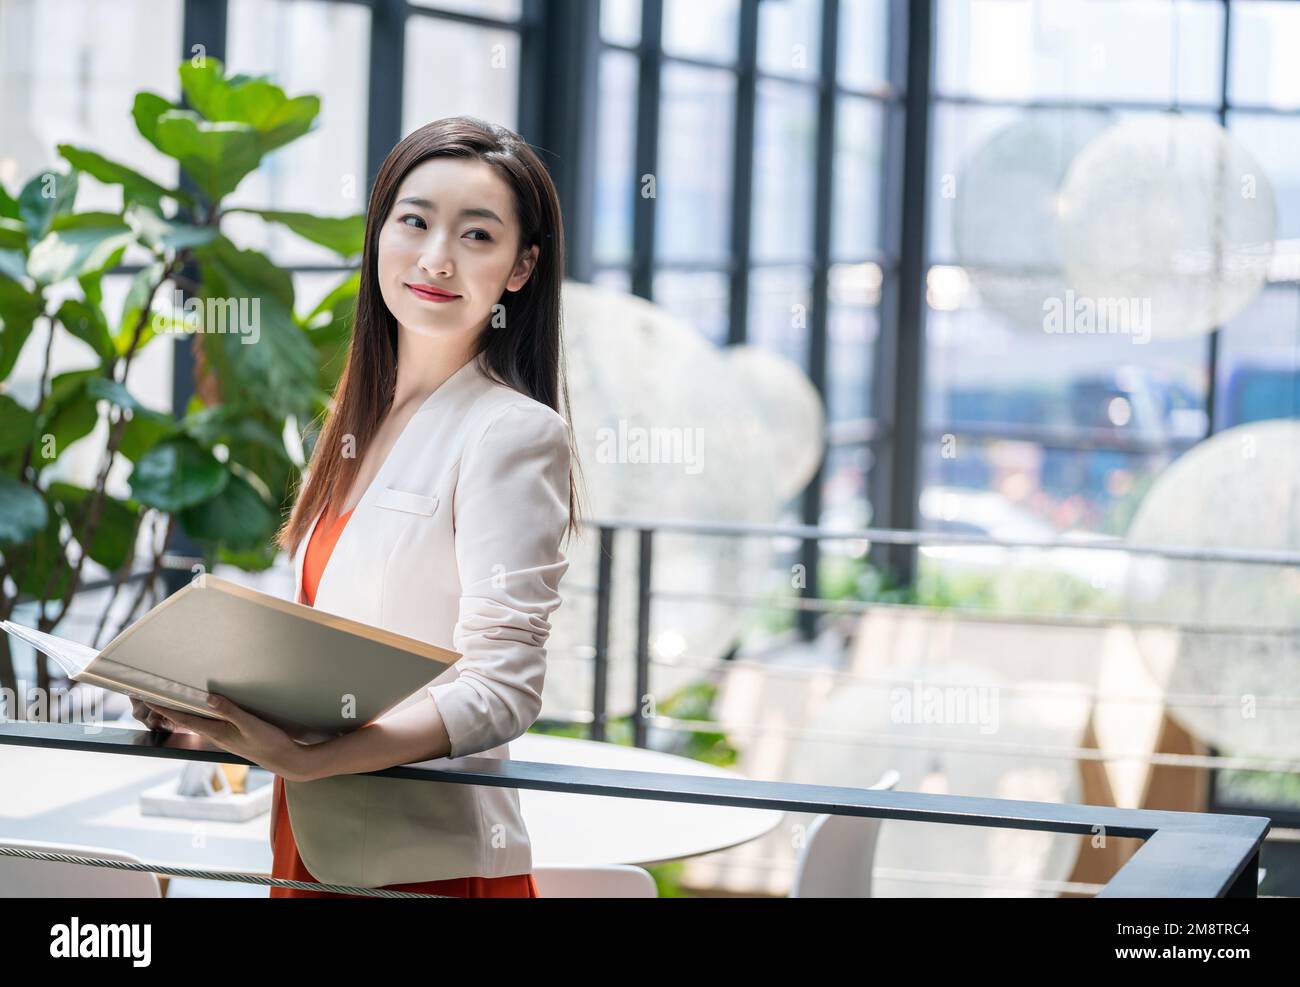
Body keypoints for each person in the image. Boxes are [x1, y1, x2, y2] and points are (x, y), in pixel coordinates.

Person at [134, 116, 584, 899]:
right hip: (309, 842)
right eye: (414, 221)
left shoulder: (512, 433)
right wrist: (212, 716)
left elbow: (503, 686)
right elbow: (328, 666)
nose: (437, 258)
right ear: (380, 234)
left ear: (522, 266)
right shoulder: (353, 421)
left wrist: (316, 755)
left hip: (425, 864)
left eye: (478, 235)